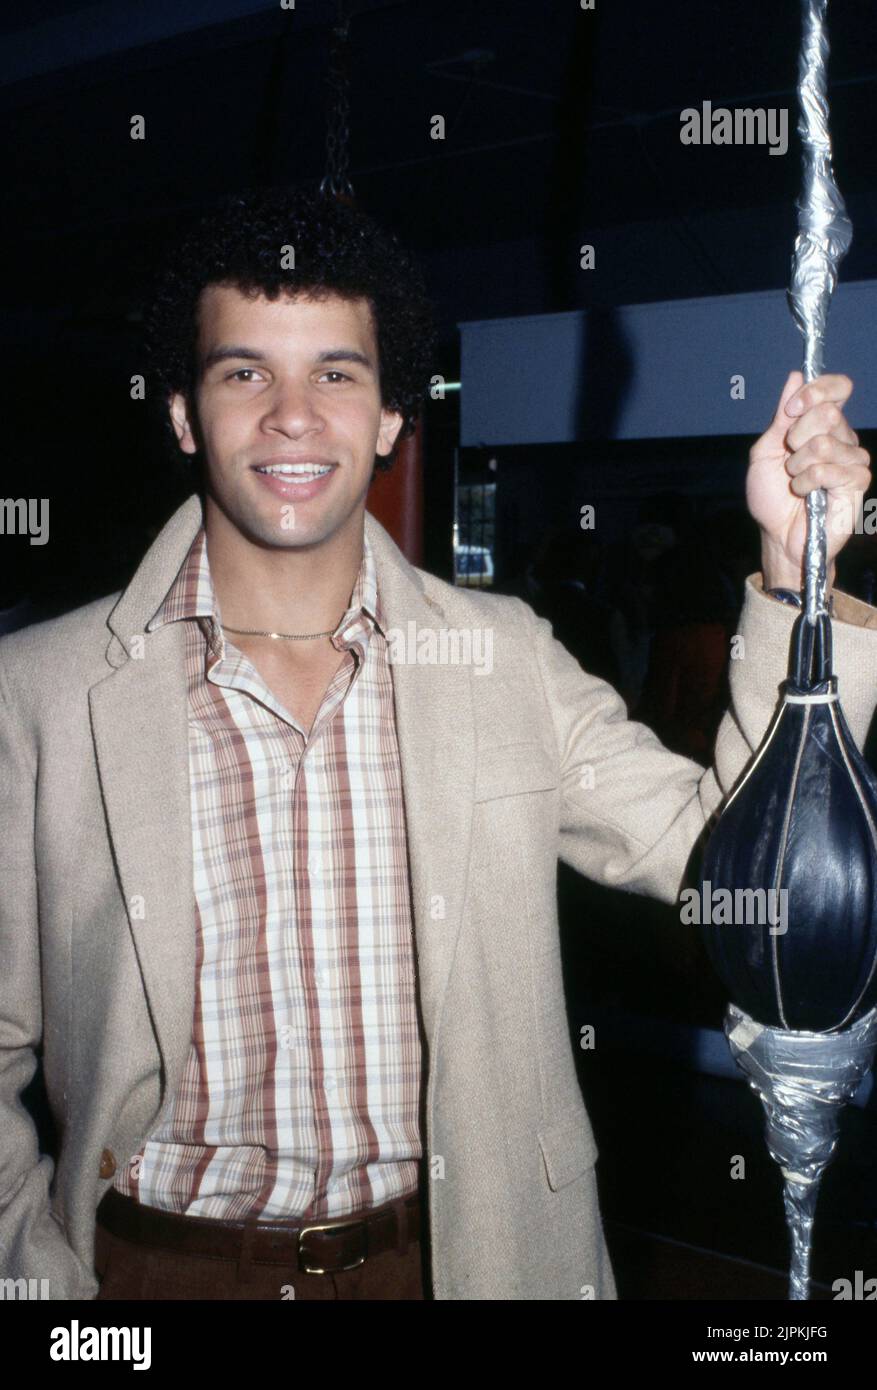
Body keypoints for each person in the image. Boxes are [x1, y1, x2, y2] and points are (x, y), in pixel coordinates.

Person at [1, 187, 875, 1302]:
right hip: (154, 1276)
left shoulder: (505, 660)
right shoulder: (41, 693)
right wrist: (35, 1282)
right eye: (242, 372)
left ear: (390, 419)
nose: (291, 415)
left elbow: (731, 862)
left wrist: (797, 570)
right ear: (182, 413)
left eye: (335, 373)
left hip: (462, 1261)